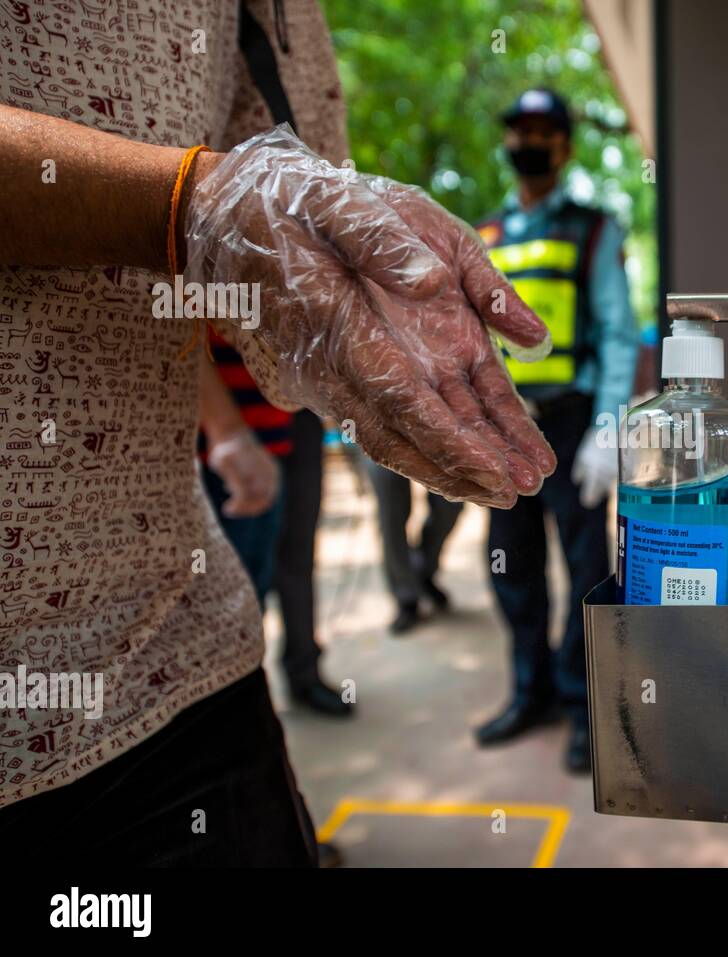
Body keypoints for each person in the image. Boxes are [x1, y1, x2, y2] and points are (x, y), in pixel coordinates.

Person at [0, 0, 553, 865]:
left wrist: (351, 274)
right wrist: (189, 201)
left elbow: (262, 197)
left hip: (181, 644)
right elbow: (206, 199)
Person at [473, 89, 639, 773]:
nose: (529, 142)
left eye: (544, 131)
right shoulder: (482, 235)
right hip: (506, 426)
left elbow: (618, 332)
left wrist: (608, 428)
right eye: (520, 130)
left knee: (584, 569)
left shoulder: (595, 228)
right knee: (510, 567)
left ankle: (582, 705)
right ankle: (529, 690)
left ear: (565, 146)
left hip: (572, 424)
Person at [199, 340, 352, 715]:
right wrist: (225, 429)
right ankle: (234, 695)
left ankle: (304, 672)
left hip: (297, 419)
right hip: (233, 422)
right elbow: (172, 331)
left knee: (297, 559)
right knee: (242, 578)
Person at [366, 460, 463, 634]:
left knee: (451, 502)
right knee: (390, 511)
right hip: (379, 433)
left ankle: (424, 571)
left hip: (443, 434)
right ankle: (406, 596)